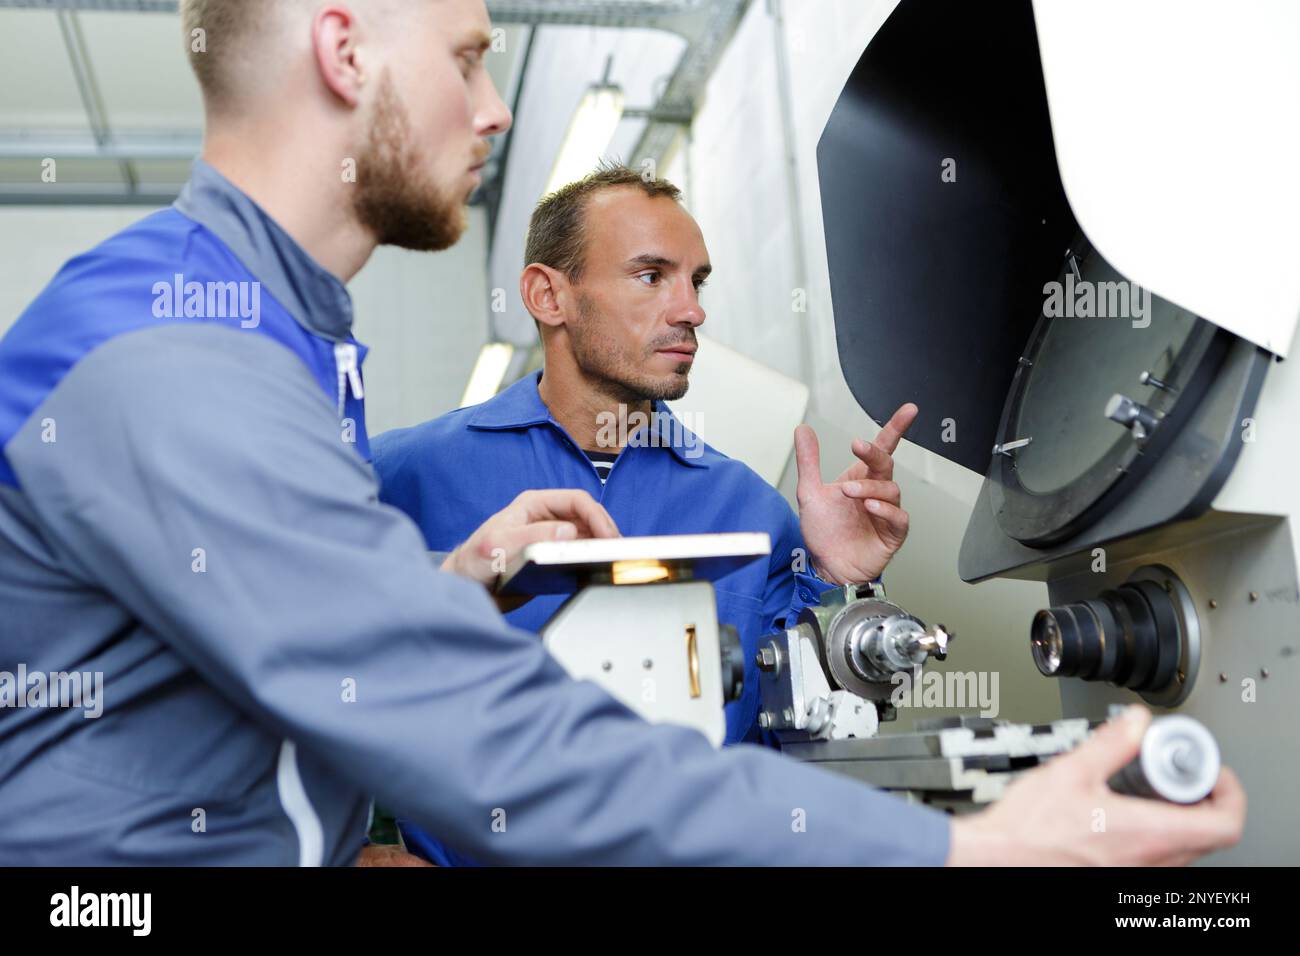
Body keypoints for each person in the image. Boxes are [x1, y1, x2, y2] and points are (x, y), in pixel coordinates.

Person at [0, 0, 1244, 866]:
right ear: (344, 51)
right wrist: (964, 846)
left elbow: (239, 662)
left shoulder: (272, 334)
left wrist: (447, 586)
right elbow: (471, 728)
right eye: (470, 56)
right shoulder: (182, 353)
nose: (492, 108)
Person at [372, 163, 918, 864]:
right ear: (549, 295)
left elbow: (808, 745)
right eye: (651, 276)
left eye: (698, 281)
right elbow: (286, 662)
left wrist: (839, 583)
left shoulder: (752, 510)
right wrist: (345, 846)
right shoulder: (404, 477)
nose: (691, 310)